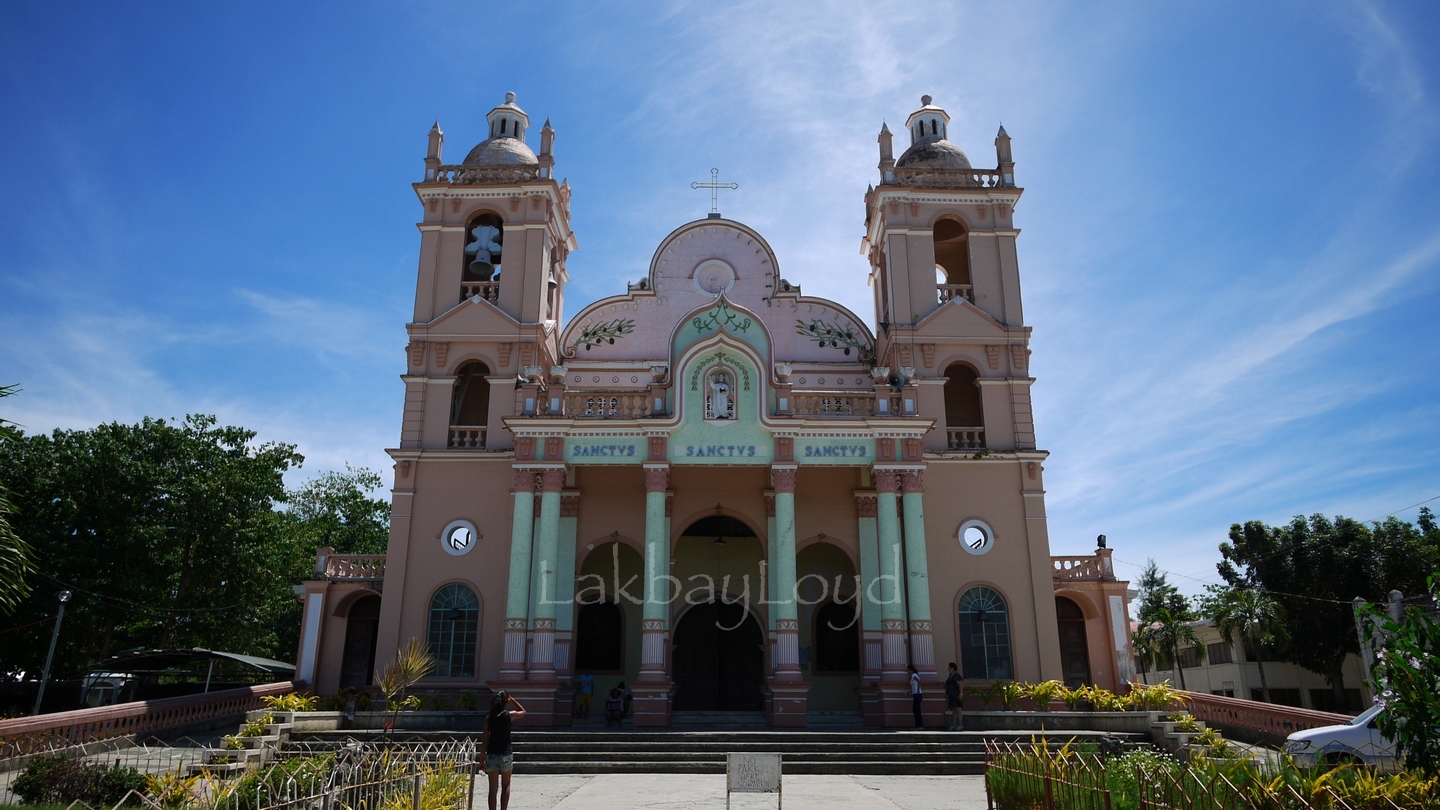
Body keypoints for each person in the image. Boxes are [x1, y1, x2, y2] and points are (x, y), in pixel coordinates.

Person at [482, 691, 525, 810]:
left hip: (491, 754)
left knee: (492, 789)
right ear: (506, 702)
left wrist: (481, 761)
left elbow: (485, 741)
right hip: (505, 754)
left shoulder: (489, 718)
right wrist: (513, 699)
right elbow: (523, 711)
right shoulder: (509, 715)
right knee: (506, 785)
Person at [944, 662, 963, 731]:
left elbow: (960, 684)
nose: (948, 669)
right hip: (951, 696)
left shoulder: (957, 676)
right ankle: (954, 725)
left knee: (958, 709)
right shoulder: (950, 676)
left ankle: (960, 725)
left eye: (949, 668)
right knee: (954, 710)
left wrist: (961, 693)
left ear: (953, 668)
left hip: (956, 695)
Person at [909, 664, 923, 729]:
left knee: (916, 710)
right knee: (916, 710)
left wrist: (917, 690)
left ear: (910, 670)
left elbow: (919, 681)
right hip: (916, 694)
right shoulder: (914, 675)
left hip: (917, 694)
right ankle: (918, 725)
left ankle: (919, 725)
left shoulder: (913, 675)